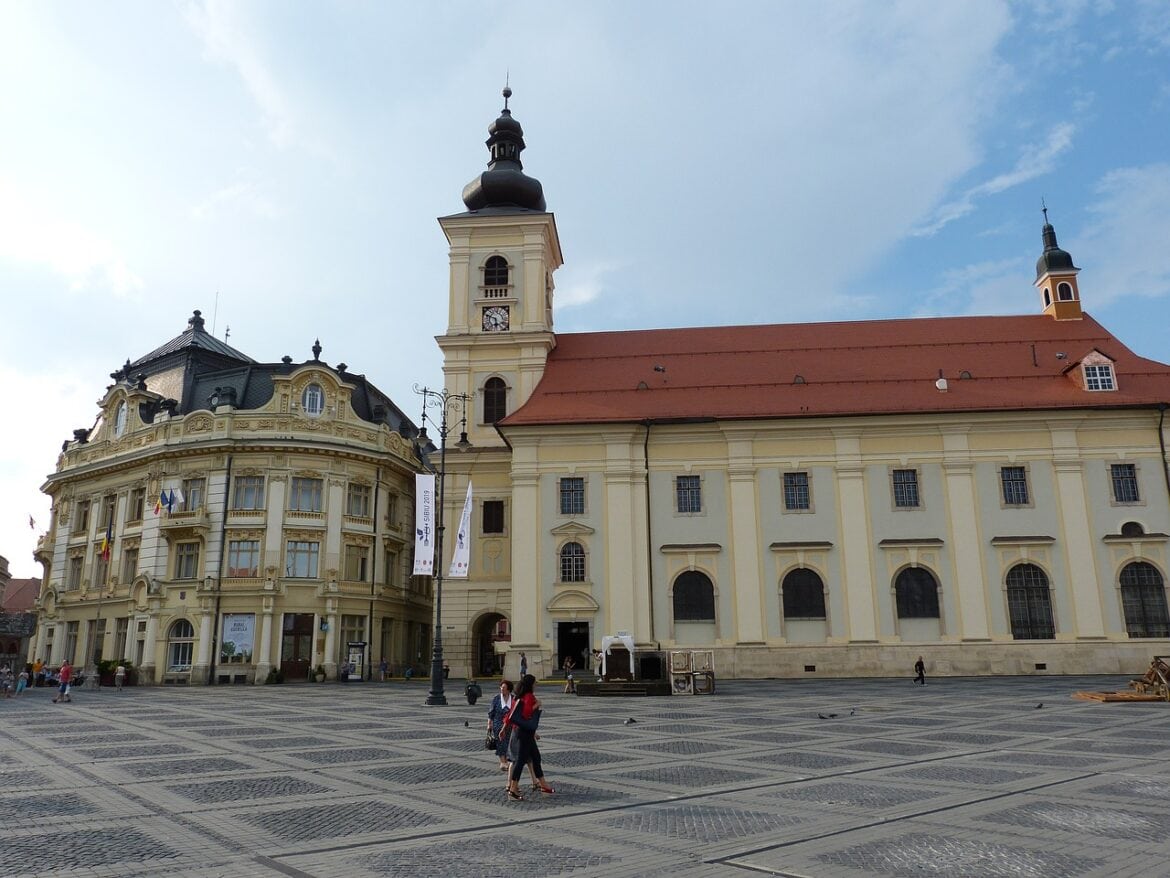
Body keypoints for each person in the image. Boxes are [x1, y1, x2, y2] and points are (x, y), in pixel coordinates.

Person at [503, 674, 554, 800]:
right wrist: (537, 705)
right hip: (525, 733)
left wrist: (504, 728)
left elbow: (511, 714)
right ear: (530, 684)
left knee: (536, 757)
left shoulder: (518, 696)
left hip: (523, 732)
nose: (536, 684)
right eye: (534, 682)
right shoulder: (529, 696)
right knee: (520, 761)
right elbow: (526, 713)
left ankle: (543, 785)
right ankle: (513, 789)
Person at [487, 679, 515, 772]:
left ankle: (507, 760)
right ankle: (503, 762)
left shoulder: (513, 698)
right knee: (500, 742)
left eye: (504, 688)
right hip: (498, 723)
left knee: (508, 742)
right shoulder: (496, 698)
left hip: (510, 725)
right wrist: (489, 724)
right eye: (501, 687)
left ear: (509, 689)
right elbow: (491, 712)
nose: (502, 689)